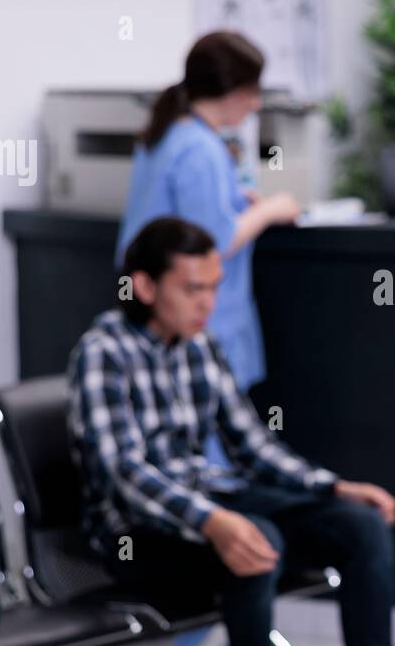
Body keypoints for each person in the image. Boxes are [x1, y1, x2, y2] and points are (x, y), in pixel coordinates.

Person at [68, 216, 395, 646]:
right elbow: (124, 472)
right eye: (192, 289)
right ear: (143, 285)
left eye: (212, 287)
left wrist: (332, 485)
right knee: (258, 537)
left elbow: (252, 446)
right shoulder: (102, 354)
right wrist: (212, 520)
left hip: (210, 502)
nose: (207, 302)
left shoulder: (201, 348)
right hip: (133, 532)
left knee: (360, 526)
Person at [116, 30, 300, 394]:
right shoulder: (200, 149)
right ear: (232, 91)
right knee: (210, 433)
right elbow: (215, 238)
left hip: (160, 312)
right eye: (252, 92)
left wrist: (234, 199)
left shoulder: (167, 133)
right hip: (201, 322)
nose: (255, 105)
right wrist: (271, 210)